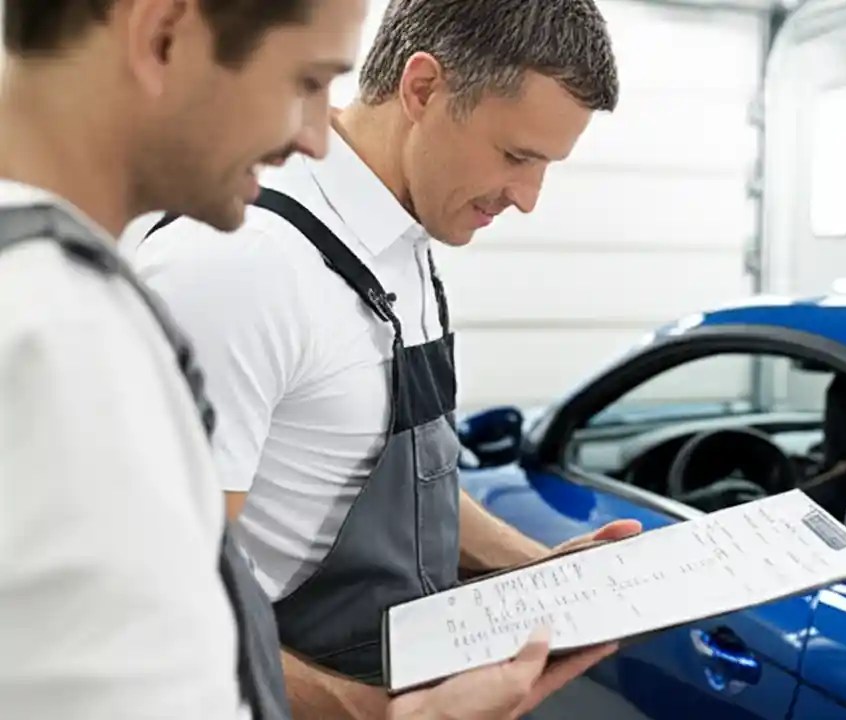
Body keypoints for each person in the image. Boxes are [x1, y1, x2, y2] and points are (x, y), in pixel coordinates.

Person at [0, 0, 615, 718]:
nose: (317, 135)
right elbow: (176, 615)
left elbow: (367, 465)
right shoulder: (214, 269)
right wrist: (375, 714)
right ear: (160, 34)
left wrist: (539, 572)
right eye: (306, 81)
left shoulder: (409, 250)